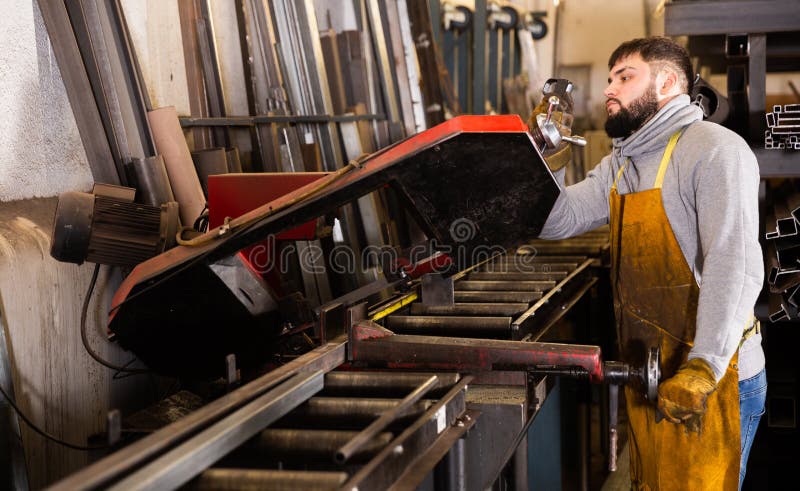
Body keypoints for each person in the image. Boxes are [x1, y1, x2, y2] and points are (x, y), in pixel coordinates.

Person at [535, 37, 767, 490]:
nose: (608, 89)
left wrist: (704, 367)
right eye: (608, 80)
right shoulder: (621, 164)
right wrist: (548, 154)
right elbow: (555, 219)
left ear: (666, 82)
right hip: (652, 373)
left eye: (625, 77)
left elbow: (733, 262)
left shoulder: (714, 149)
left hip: (716, 378)